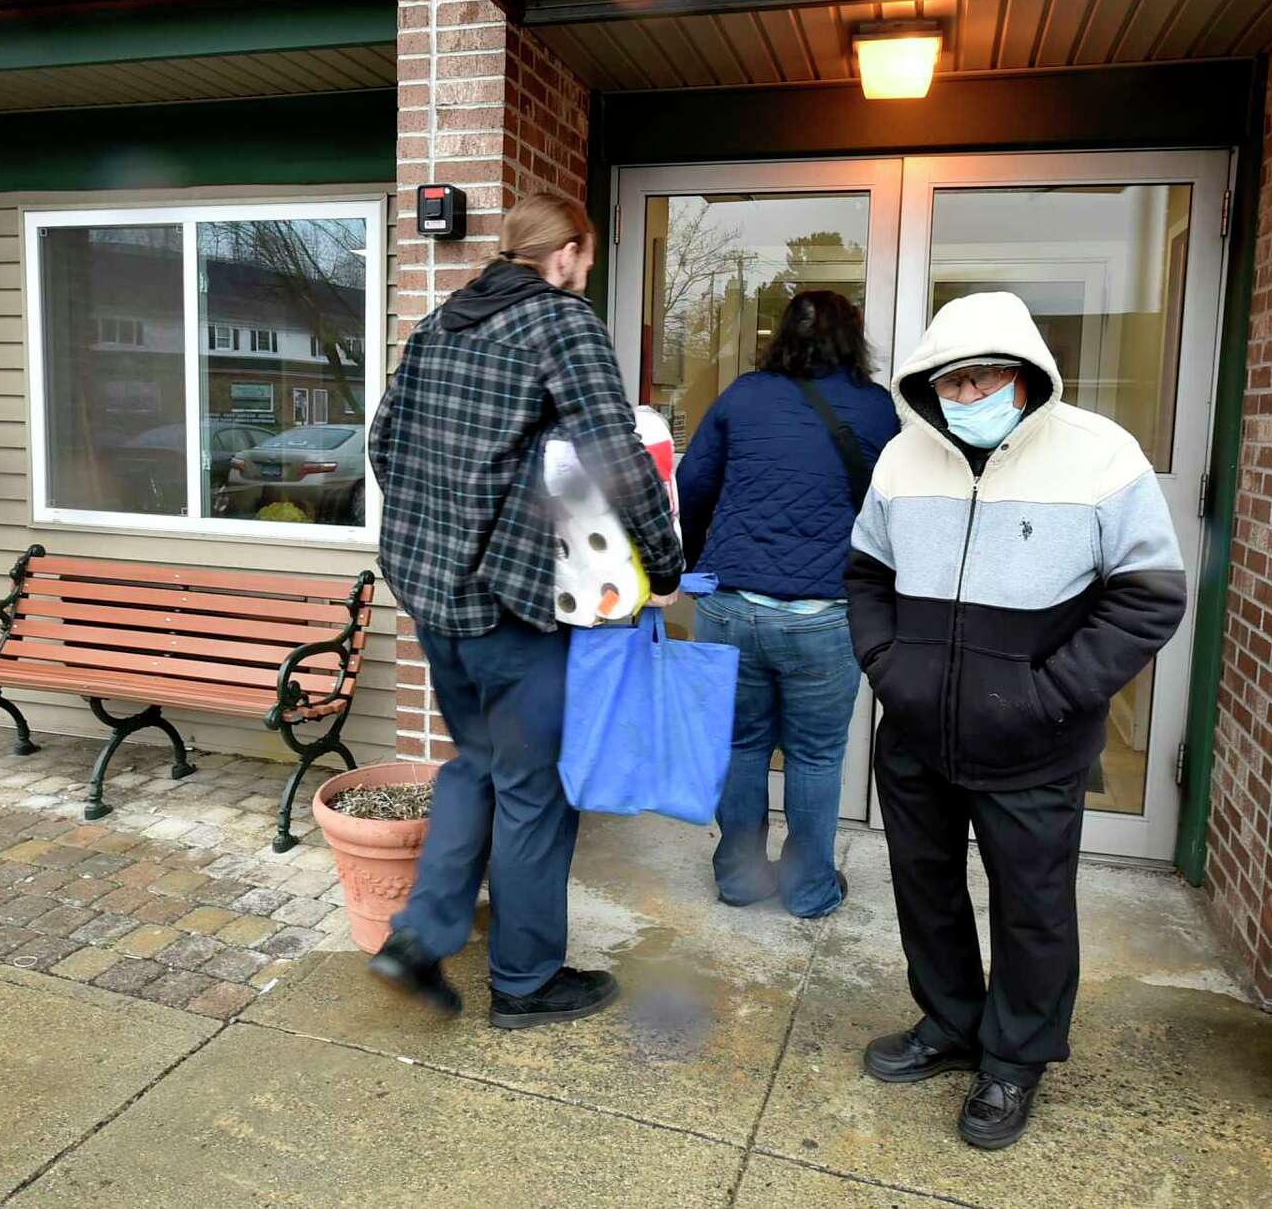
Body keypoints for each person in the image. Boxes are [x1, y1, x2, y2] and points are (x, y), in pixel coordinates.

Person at [845, 291, 1186, 1149]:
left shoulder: (1102, 457)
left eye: (986, 377)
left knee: (1032, 907)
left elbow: (1149, 597)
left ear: (1028, 377)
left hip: (1036, 740)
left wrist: (1048, 695)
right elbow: (864, 575)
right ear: (929, 387)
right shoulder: (902, 458)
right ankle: (952, 1025)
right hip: (919, 732)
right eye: (952, 382)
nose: (969, 396)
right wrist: (890, 669)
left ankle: (1015, 1057)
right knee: (925, 893)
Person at [365, 193, 682, 1028]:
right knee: (535, 790)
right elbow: (616, 455)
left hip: (434, 598)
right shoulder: (561, 322)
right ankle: (527, 981)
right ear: (569, 253)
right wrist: (667, 563)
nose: (585, 272)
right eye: (586, 259)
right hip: (511, 605)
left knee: (474, 763)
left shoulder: (437, 325)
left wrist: (440, 533)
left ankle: (417, 939)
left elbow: (383, 443)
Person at [677, 290, 900, 919]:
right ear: (853, 342)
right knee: (816, 754)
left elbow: (692, 488)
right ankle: (808, 890)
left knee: (742, 746)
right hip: (826, 614)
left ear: (782, 340)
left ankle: (742, 880)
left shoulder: (743, 396)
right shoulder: (877, 409)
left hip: (731, 607)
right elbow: (892, 508)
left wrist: (697, 564)